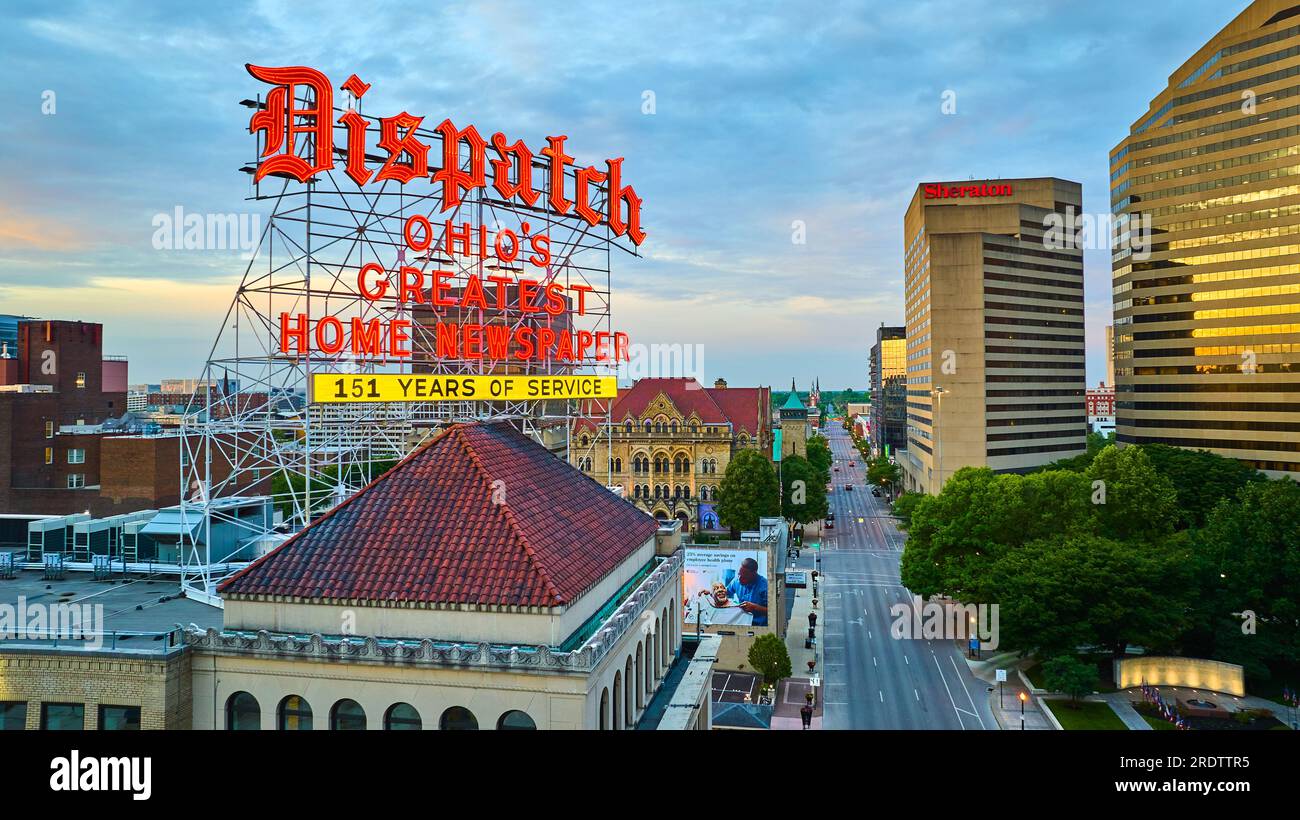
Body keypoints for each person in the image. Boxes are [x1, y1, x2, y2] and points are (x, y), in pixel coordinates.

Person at [726, 557, 769, 627]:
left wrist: (755, 608)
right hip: (742, 622)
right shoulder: (736, 581)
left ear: (754, 574)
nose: (740, 579)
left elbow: (773, 612)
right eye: (739, 574)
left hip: (759, 626)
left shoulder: (765, 586)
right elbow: (725, 592)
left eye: (744, 577)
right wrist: (711, 592)